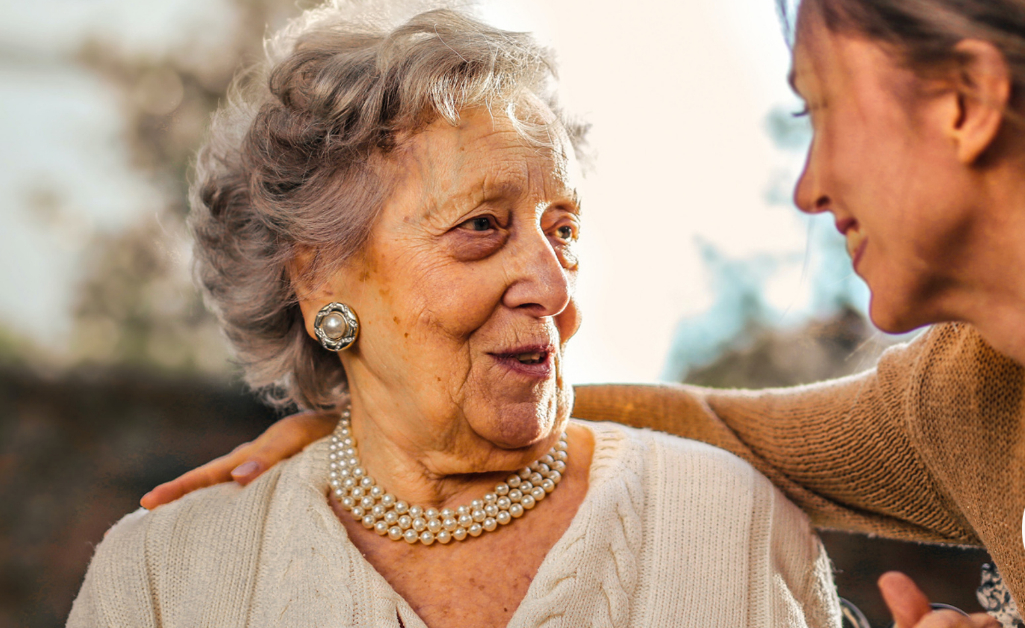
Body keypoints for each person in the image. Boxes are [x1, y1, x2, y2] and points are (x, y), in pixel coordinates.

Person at [144, 0, 1025, 626]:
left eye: (820, 110)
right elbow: (717, 426)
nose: (809, 186)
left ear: (965, 103)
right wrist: (383, 418)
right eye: (482, 227)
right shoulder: (966, 402)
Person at [67, 6, 843, 628]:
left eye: (563, 229)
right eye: (482, 226)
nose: (553, 286)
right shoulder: (162, 578)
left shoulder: (733, 527)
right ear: (317, 275)